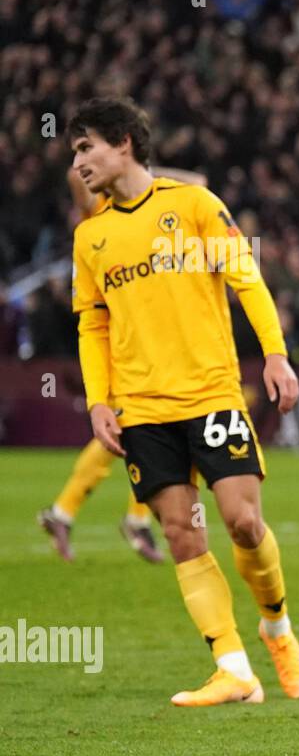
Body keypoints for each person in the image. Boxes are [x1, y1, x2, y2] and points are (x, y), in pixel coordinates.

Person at [70, 97, 299, 705]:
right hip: (141, 408)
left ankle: (277, 629)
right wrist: (99, 401)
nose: (78, 163)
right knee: (181, 533)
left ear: (124, 141)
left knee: (242, 520)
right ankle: (233, 667)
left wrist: (275, 353)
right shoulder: (90, 236)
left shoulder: (195, 205)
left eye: (86, 148)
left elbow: (245, 280)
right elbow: (92, 327)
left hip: (210, 394)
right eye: (74, 152)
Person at [37, 165, 206, 564]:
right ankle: (119, 517)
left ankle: (71, 513)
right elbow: (74, 176)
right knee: (138, 428)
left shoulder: (149, 209)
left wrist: (141, 170)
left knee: (143, 429)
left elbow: (199, 184)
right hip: (118, 339)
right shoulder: (98, 214)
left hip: (155, 338)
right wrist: (127, 167)